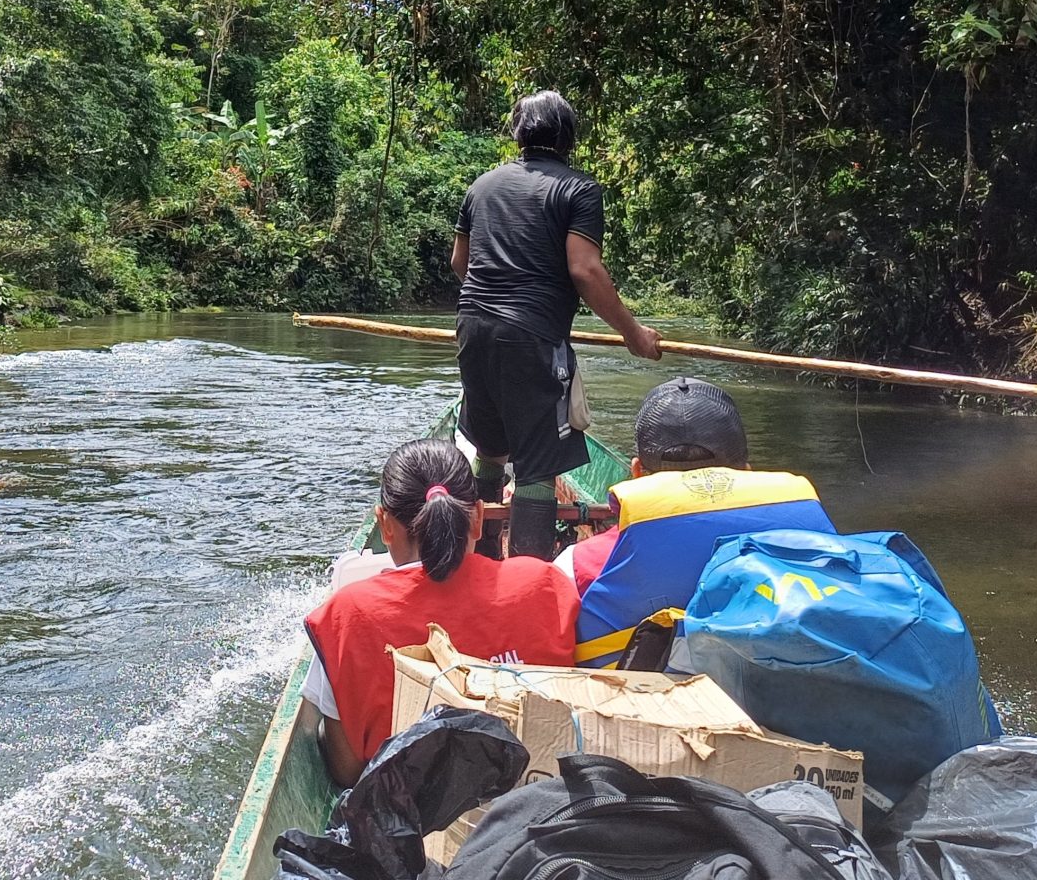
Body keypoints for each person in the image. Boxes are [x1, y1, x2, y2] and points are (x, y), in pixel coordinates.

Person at [452, 90, 663, 561]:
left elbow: (460, 263)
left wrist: (496, 301)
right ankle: (528, 586)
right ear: (568, 138)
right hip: (531, 337)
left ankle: (480, 563)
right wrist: (634, 336)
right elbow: (584, 270)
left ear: (518, 134)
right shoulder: (579, 190)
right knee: (538, 468)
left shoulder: (480, 187)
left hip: (472, 327)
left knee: (490, 448)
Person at [302, 439, 578, 786]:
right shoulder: (547, 584)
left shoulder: (346, 614)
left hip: (409, 819)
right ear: (477, 518)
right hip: (535, 796)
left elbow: (347, 772)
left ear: (385, 526)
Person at [567, 376, 836, 667]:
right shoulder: (818, 551)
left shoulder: (582, 564)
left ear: (636, 474)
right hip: (774, 703)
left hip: (634, 702)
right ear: (747, 472)